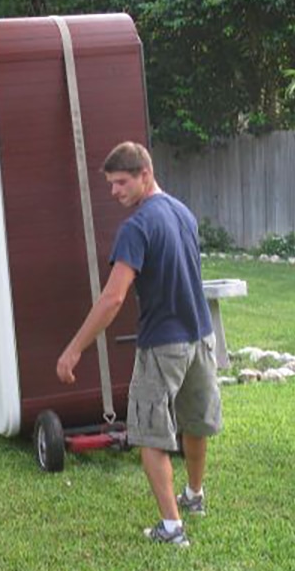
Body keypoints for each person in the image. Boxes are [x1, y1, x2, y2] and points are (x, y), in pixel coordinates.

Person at [56, 141, 220, 548]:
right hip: (200, 335)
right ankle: (194, 496)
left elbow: (113, 299)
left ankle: (171, 527)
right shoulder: (183, 212)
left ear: (145, 174)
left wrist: (75, 348)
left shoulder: (136, 227)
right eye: (111, 184)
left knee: (149, 436)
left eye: (121, 182)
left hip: (163, 344)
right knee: (194, 422)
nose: (114, 192)